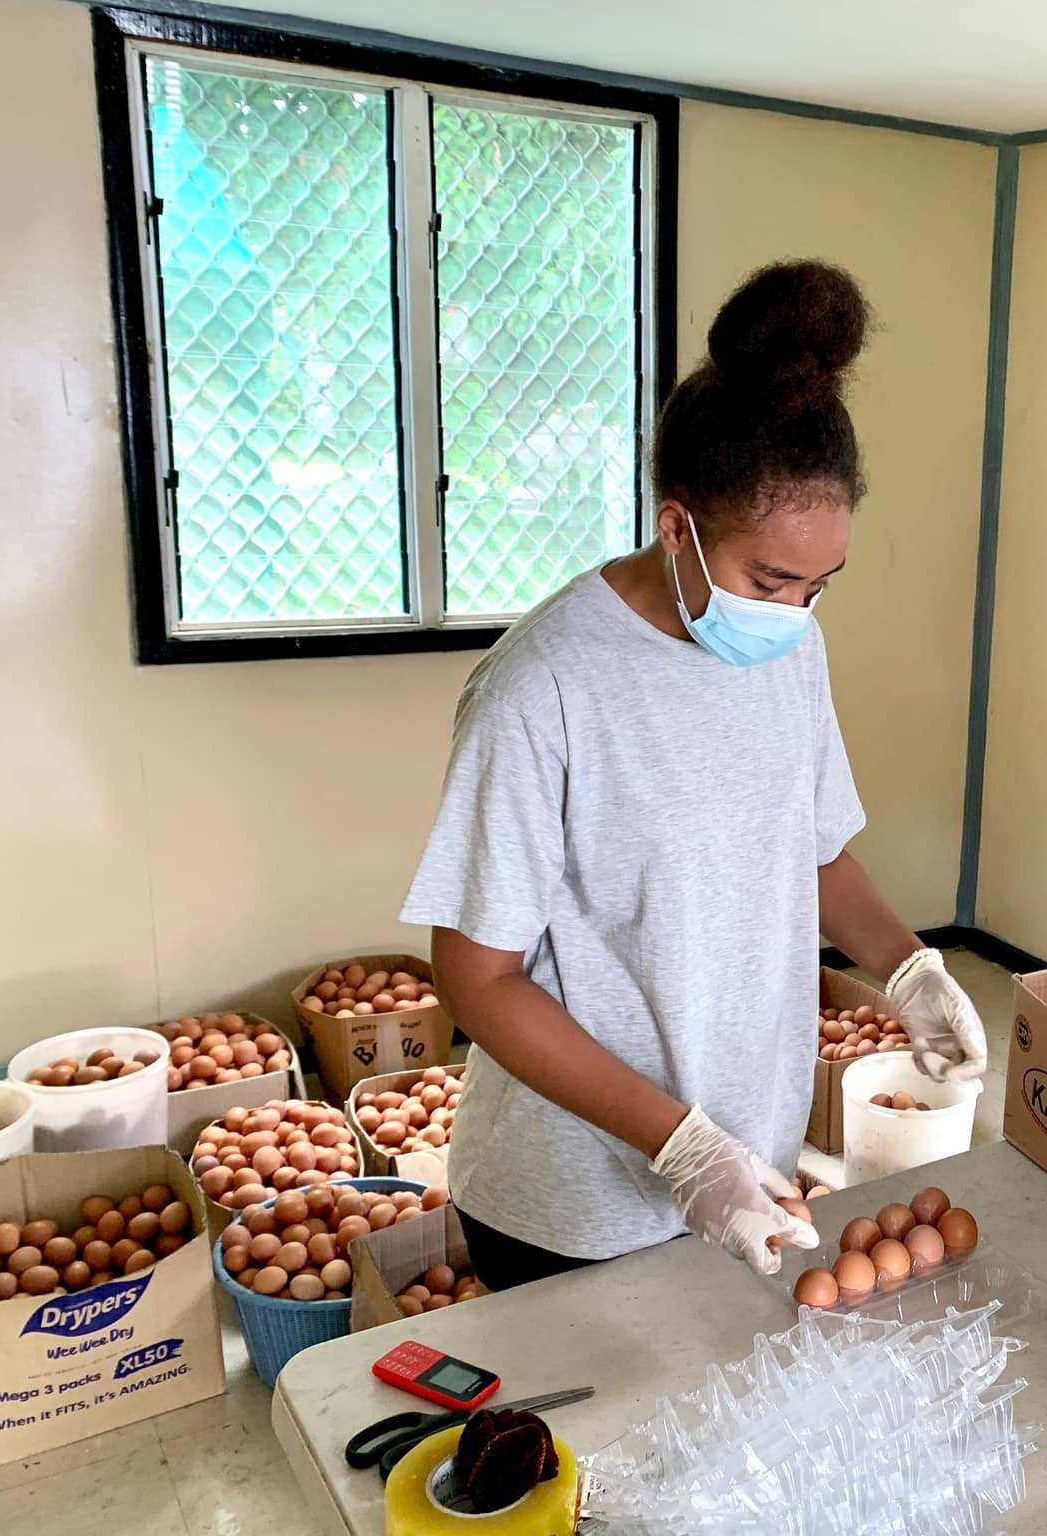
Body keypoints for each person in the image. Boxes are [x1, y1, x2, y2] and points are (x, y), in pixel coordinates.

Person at [399, 260, 988, 1291]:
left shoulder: (789, 647)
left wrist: (909, 970)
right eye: (771, 579)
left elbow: (809, 853)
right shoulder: (544, 686)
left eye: (820, 585)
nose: (795, 612)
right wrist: (680, 1148)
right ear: (676, 527)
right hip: (572, 1203)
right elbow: (477, 979)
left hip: (749, 1172)